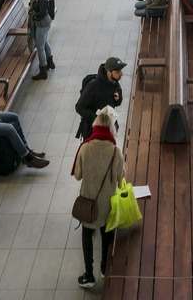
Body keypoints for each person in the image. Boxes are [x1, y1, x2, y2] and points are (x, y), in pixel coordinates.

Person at [73, 105, 124, 289]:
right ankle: (104, 268)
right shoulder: (115, 151)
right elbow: (120, 178)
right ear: (111, 127)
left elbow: (78, 175)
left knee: (87, 235)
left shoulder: (85, 147)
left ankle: (88, 275)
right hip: (107, 203)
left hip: (89, 202)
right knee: (106, 235)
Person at [15, 0, 56, 79]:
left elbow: (42, 12)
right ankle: (50, 63)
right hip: (43, 23)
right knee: (44, 42)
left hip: (42, 23)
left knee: (39, 46)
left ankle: (43, 71)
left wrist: (32, 11)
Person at [74, 57, 125, 139]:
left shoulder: (115, 83)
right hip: (93, 131)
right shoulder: (93, 86)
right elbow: (79, 107)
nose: (121, 74)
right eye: (117, 72)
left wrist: (117, 99)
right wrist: (96, 117)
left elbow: (118, 103)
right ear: (108, 72)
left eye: (121, 71)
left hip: (109, 126)